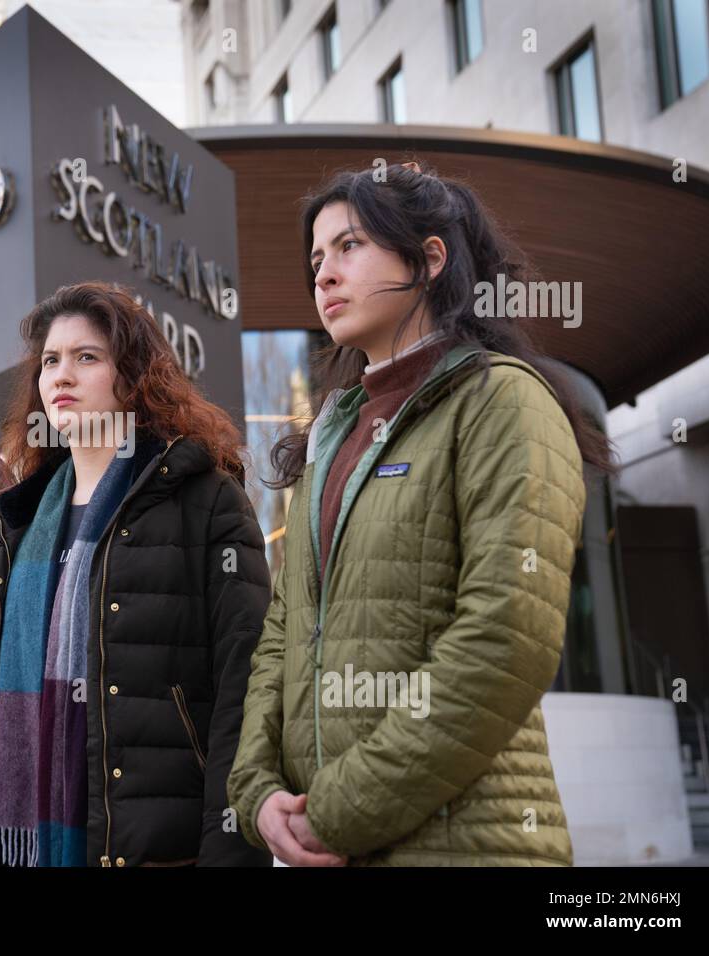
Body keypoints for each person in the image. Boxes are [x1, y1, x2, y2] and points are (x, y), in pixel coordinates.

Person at [229, 161, 615, 866]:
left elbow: (506, 638)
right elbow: (281, 638)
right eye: (316, 259)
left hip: (465, 844)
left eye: (349, 247)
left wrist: (340, 811)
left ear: (429, 259)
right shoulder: (331, 439)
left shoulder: (502, 401)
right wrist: (256, 794)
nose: (324, 275)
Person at [0, 281, 272, 867]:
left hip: (151, 840)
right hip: (13, 843)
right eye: (50, 361)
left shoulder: (204, 500)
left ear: (134, 376)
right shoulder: (16, 520)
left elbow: (243, 688)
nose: (61, 377)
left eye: (86, 357)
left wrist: (229, 847)